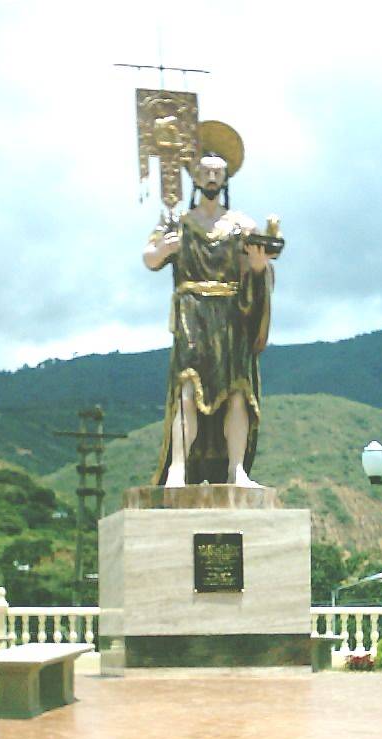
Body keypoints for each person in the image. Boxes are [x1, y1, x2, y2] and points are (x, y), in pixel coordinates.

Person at [143, 144, 275, 487]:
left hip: (231, 314)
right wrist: (168, 246)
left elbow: (255, 268)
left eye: (218, 172)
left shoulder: (242, 225)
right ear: (195, 178)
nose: (212, 177)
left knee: (237, 392)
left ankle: (236, 470)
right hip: (193, 314)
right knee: (188, 388)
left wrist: (258, 269)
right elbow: (150, 258)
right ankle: (178, 467)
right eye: (206, 172)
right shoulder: (178, 222)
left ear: (226, 178)